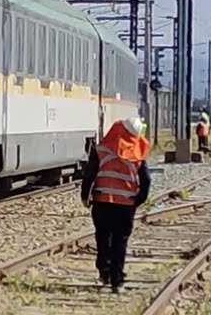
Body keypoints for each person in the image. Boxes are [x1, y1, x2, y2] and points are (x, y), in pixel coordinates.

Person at [81, 117, 151, 293]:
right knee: (120, 241)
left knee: (103, 237)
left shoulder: (102, 150)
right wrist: (138, 200)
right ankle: (116, 280)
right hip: (125, 205)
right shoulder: (138, 153)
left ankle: (104, 271)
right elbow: (146, 180)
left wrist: (85, 196)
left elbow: (89, 175)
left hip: (102, 202)